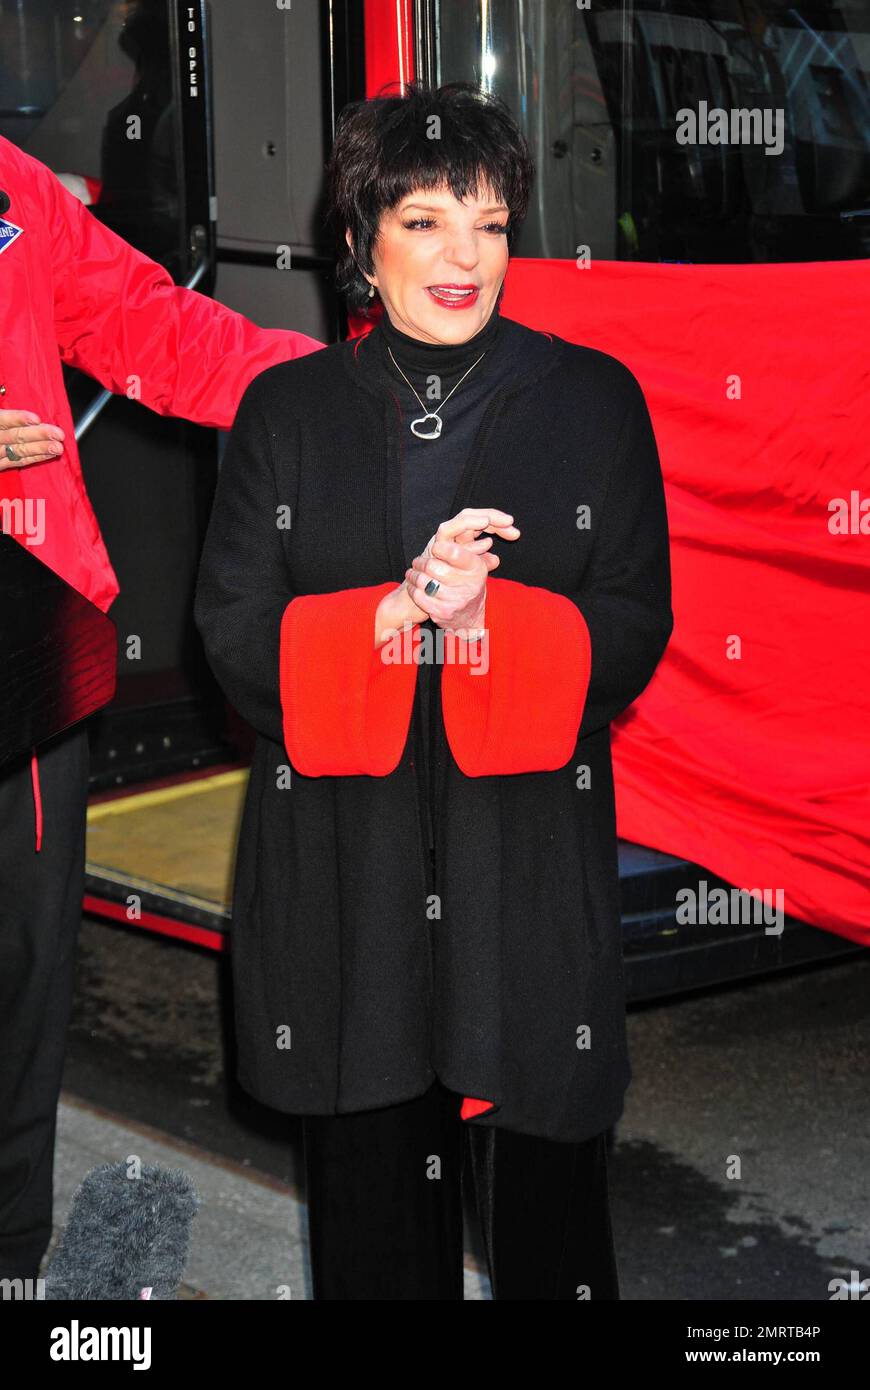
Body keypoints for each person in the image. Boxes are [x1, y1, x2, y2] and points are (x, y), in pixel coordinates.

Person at [193, 82, 674, 1300]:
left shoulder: (593, 402)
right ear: (360, 240)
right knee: (370, 1231)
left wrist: (489, 621)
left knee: (553, 1230)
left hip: (522, 870)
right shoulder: (285, 412)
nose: (464, 257)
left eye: (491, 223)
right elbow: (236, 641)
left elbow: (632, 626)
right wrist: (401, 611)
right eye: (423, 221)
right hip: (348, 880)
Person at [0, 133, 324, 1283]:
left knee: (25, 971)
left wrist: (325, 388)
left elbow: (150, 324)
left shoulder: (12, 186)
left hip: (21, 643)